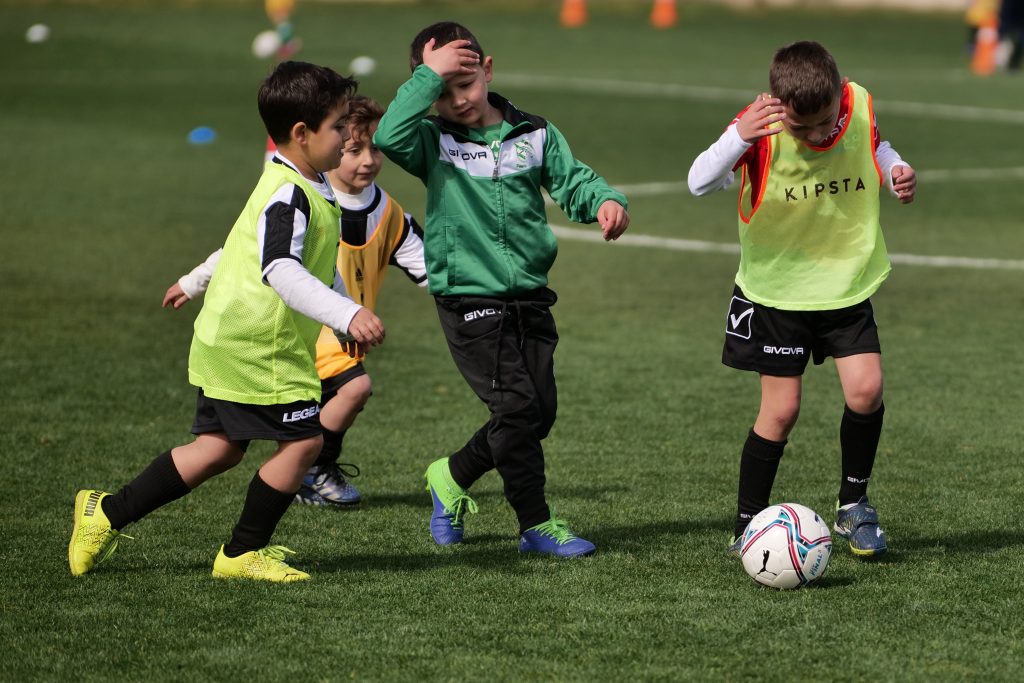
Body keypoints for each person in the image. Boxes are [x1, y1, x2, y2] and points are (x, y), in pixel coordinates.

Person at [68, 61, 386, 582]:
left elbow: (244, 244)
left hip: (231, 338)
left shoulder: (294, 182)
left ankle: (103, 513)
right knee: (304, 443)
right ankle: (241, 554)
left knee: (216, 450)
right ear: (302, 135)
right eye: (337, 128)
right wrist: (347, 312)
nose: (346, 138)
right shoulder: (291, 194)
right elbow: (280, 269)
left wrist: (195, 280)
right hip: (258, 347)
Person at [374, 22, 630, 558]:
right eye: (441, 91)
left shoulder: (534, 132)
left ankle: (451, 475)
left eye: (463, 84)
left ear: (487, 70)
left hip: (530, 294)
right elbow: (388, 133)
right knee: (516, 408)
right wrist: (430, 76)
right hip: (468, 296)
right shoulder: (431, 141)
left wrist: (604, 201)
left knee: (537, 414)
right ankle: (535, 525)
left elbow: (574, 180)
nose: (455, 100)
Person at [687, 41, 916, 558]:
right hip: (778, 293)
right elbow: (699, 181)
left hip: (844, 282)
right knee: (781, 410)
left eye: (825, 121)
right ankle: (747, 523)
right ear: (777, 104)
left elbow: (875, 145)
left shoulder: (856, 104)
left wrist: (895, 169)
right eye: (802, 127)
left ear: (838, 94)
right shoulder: (759, 127)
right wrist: (738, 137)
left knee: (867, 389)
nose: (816, 135)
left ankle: (853, 506)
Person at [164, 95, 428, 508]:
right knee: (353, 389)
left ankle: (303, 471)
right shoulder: (304, 196)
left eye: (375, 148)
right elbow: (244, 248)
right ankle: (313, 469)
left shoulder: (390, 212)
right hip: (295, 328)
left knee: (239, 444)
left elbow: (431, 267)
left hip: (339, 329)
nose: (367, 159)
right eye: (354, 147)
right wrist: (193, 280)